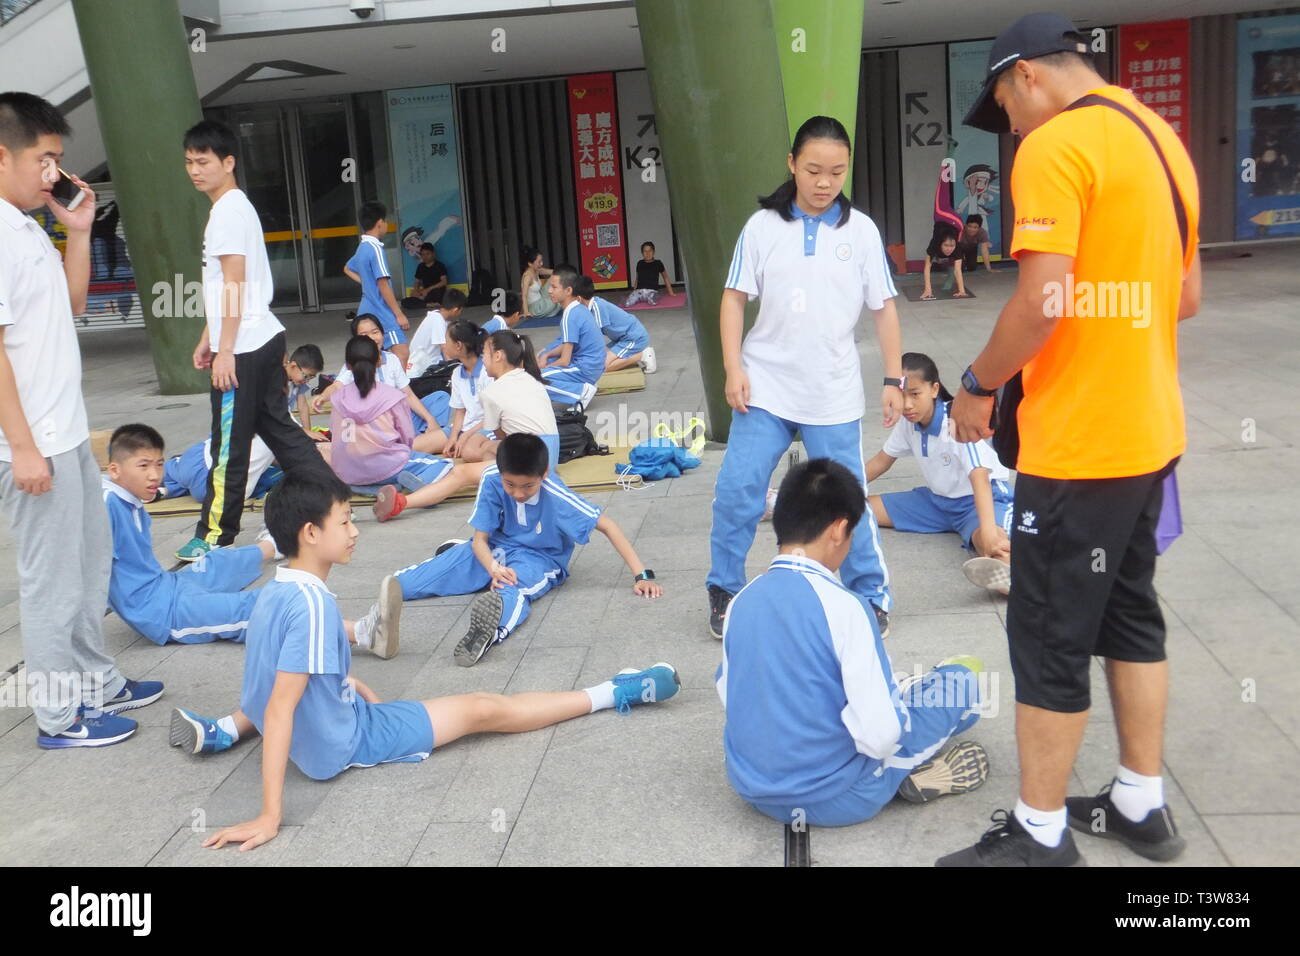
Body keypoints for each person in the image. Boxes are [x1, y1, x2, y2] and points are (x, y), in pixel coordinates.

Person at [942, 12, 1201, 867]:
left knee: (1050, 632)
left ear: (1026, 76)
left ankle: (1040, 835)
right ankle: (1139, 802)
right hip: (1149, 432)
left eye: (1002, 108)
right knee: (1129, 612)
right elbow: (1186, 296)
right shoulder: (1162, 140)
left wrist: (978, 386)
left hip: (1081, 445)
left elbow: (1042, 302)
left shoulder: (1056, 145)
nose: (1008, 128)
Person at [179, 472, 677, 853]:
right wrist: (270, 815)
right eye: (345, 521)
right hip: (348, 740)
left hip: (325, 723)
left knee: (356, 682)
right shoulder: (314, 604)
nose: (355, 531)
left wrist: (338, 681)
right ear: (311, 532)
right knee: (484, 709)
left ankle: (228, 730)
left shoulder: (278, 589)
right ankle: (616, 691)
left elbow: (271, 680)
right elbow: (282, 708)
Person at [0, 91, 161, 749]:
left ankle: (95, 680)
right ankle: (60, 717)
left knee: (89, 566)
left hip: (63, 435)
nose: (54, 174)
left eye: (58, 160)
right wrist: (23, 447)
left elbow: (67, 307)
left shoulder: (26, 226)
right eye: (45, 159)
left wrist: (81, 231)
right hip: (33, 446)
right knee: (51, 585)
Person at [708, 115, 902, 642]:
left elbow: (883, 308)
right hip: (765, 386)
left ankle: (869, 594)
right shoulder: (762, 227)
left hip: (832, 392)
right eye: (813, 169)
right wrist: (733, 367)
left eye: (837, 172)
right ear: (792, 164)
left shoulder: (860, 231)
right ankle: (724, 588)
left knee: (848, 498)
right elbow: (733, 298)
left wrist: (893, 378)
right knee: (738, 489)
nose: (824, 182)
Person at [718, 459, 988, 825]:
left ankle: (898, 693)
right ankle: (904, 769)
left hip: (753, 789)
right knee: (963, 684)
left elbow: (728, 691)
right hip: (839, 797)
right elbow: (880, 736)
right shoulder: (846, 606)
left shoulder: (740, 602)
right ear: (839, 529)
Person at [178, 119, 334, 563]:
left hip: (244, 346)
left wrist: (224, 348)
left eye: (203, 161)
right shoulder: (236, 206)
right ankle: (331, 499)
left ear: (228, 163)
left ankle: (214, 535)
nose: (194, 169)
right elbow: (228, 285)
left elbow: (233, 281)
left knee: (229, 443)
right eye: (189, 161)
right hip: (261, 335)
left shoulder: (226, 212)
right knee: (280, 430)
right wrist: (209, 336)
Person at [385, 433, 662, 667]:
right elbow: (480, 540)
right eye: (511, 485)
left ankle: (492, 630)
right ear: (500, 472)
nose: (518, 492)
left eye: (527, 486)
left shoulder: (556, 494)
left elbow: (608, 526)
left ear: (544, 474)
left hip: (540, 559)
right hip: (494, 548)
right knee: (401, 586)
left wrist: (642, 576)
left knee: (510, 588)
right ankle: (452, 560)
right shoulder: (492, 478)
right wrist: (492, 567)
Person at [103, 424, 276, 645]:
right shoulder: (106, 506)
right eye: (143, 466)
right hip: (162, 613)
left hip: (169, 584)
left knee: (216, 561)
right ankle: (302, 608)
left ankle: (274, 546)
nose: (154, 475)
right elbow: (87, 573)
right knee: (254, 609)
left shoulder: (129, 498)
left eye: (159, 464)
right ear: (115, 470)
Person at [864, 353, 1013, 595]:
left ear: (934, 389)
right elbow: (882, 461)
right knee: (857, 508)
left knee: (989, 543)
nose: (908, 404)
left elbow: (980, 477)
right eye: (902, 395)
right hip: (936, 503)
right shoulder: (908, 422)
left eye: (915, 394)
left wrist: (987, 530)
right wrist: (840, 490)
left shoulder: (955, 420)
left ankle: (1014, 579)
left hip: (978, 502)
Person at [311, 313, 448, 454]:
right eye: (364, 335)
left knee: (440, 398)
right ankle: (421, 444)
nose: (372, 338)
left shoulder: (392, 359)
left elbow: (408, 394)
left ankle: (417, 442)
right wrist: (323, 397)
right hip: (374, 428)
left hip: (399, 422)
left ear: (382, 333)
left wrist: (430, 419)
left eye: (375, 332)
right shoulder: (354, 364)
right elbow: (337, 386)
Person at [326, 335, 416, 492]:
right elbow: (407, 437)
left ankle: (364, 487)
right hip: (387, 466)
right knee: (441, 467)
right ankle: (391, 485)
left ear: (347, 366)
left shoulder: (338, 398)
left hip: (348, 471)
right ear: (379, 361)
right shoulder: (392, 396)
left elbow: (338, 435)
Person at [479, 330, 560, 471]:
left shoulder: (491, 393)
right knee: (487, 450)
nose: (482, 360)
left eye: (484, 354)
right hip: (551, 454)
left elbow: (502, 437)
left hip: (530, 458)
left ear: (497, 356)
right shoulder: (532, 379)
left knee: (460, 473)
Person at [343, 200, 409, 367]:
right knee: (402, 354)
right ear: (380, 223)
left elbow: (347, 268)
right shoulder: (375, 249)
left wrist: (367, 284)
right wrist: (398, 314)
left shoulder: (362, 247)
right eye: (386, 221)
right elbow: (383, 284)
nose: (387, 224)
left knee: (371, 357)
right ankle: (396, 392)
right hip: (381, 310)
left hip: (365, 309)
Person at [536, 264, 606, 410]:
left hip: (585, 368)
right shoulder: (577, 308)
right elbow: (568, 344)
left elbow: (564, 360)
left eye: (554, 287)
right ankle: (581, 386)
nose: (549, 291)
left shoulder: (570, 315)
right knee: (544, 357)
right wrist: (546, 355)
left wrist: (544, 367)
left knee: (534, 379)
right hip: (593, 365)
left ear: (568, 290)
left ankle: (581, 392)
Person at [575, 275, 657, 374]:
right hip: (623, 339)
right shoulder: (591, 306)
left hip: (633, 338)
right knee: (595, 360)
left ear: (578, 298)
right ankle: (633, 355)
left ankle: (642, 355)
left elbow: (595, 338)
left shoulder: (597, 307)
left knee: (601, 367)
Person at [406, 287, 467, 376]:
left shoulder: (438, 318)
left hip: (426, 364)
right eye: (461, 310)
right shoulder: (437, 320)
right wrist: (451, 367)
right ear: (456, 310)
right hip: (419, 370)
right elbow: (444, 348)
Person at [284, 343, 325, 443]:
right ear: (293, 365)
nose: (307, 380)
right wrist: (304, 432)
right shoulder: (277, 380)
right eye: (306, 376)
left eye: (311, 377)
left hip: (286, 423)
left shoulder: (299, 381)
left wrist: (309, 434)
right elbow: (282, 415)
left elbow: (302, 406)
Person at [920, 226, 970, 300]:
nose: (949, 249)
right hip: (940, 224)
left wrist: (961, 290)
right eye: (946, 245)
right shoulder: (934, 245)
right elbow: (927, 267)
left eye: (952, 246)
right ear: (940, 244)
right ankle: (939, 259)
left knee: (961, 266)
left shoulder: (958, 248)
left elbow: (957, 270)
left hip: (953, 226)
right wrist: (928, 289)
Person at [625, 240, 675, 307]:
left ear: (653, 252)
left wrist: (671, 293)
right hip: (639, 291)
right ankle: (633, 299)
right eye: (645, 251)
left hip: (652, 291)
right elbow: (637, 278)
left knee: (654, 299)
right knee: (628, 303)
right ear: (642, 253)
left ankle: (650, 299)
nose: (648, 253)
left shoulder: (658, 263)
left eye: (650, 251)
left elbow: (665, 277)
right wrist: (634, 291)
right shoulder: (640, 263)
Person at [519, 245, 559, 319]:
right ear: (530, 264)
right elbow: (524, 296)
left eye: (541, 261)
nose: (541, 264)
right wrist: (526, 312)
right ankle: (548, 310)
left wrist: (564, 271)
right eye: (539, 262)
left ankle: (550, 310)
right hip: (534, 306)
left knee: (555, 276)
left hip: (541, 298)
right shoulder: (527, 276)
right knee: (556, 302)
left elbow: (553, 272)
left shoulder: (537, 270)